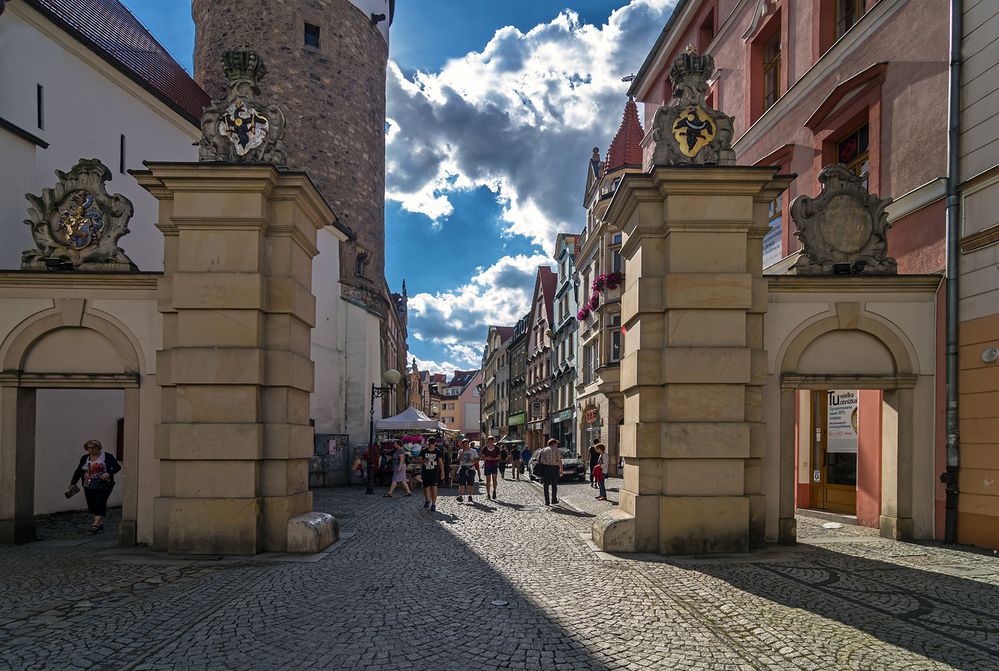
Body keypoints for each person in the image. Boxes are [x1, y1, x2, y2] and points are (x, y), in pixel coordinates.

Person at [69, 439, 121, 534]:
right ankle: (100, 523)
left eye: (94, 448)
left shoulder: (107, 456)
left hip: (104, 484)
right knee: (91, 504)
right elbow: (79, 471)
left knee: (100, 502)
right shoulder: (85, 458)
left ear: (99, 448)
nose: (92, 450)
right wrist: (73, 483)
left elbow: (117, 467)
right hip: (88, 484)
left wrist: (108, 473)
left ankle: (95, 524)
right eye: (89, 448)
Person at [419, 437, 445, 511]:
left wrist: (442, 473)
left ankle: (433, 504)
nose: (430, 445)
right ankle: (427, 500)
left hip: (435, 471)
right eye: (429, 443)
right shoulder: (423, 451)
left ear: (435, 444)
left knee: (434, 487)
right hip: (426, 471)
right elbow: (419, 460)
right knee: (426, 487)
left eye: (432, 443)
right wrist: (424, 460)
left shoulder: (438, 451)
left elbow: (440, 462)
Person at [536, 438, 563, 506]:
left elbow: (540, 460)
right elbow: (559, 461)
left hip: (546, 469)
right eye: (556, 443)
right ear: (553, 443)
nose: (557, 445)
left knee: (546, 485)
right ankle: (554, 499)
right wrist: (561, 470)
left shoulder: (543, 450)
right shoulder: (557, 450)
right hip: (554, 469)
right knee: (554, 485)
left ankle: (547, 501)